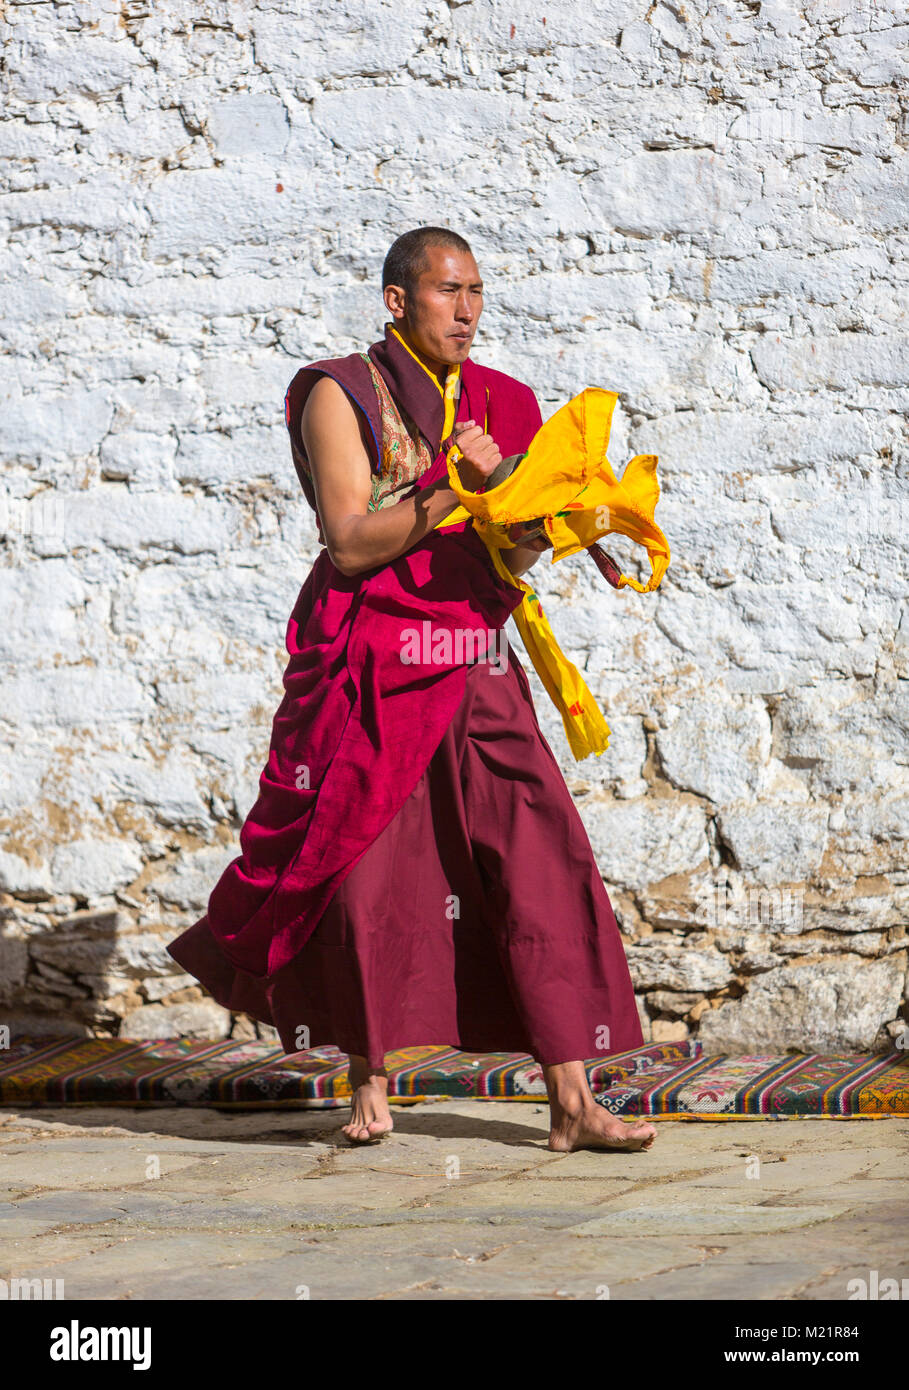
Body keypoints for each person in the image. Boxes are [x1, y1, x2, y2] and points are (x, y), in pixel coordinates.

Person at [167, 226, 657, 1154]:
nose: (466, 310)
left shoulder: (505, 402)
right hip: (370, 662)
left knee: (538, 850)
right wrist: (450, 486)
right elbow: (349, 540)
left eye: (475, 292)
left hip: (471, 655)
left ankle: (572, 1097)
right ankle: (371, 1080)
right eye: (446, 292)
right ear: (398, 301)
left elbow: (508, 549)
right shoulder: (336, 392)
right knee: (366, 869)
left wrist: (552, 518)